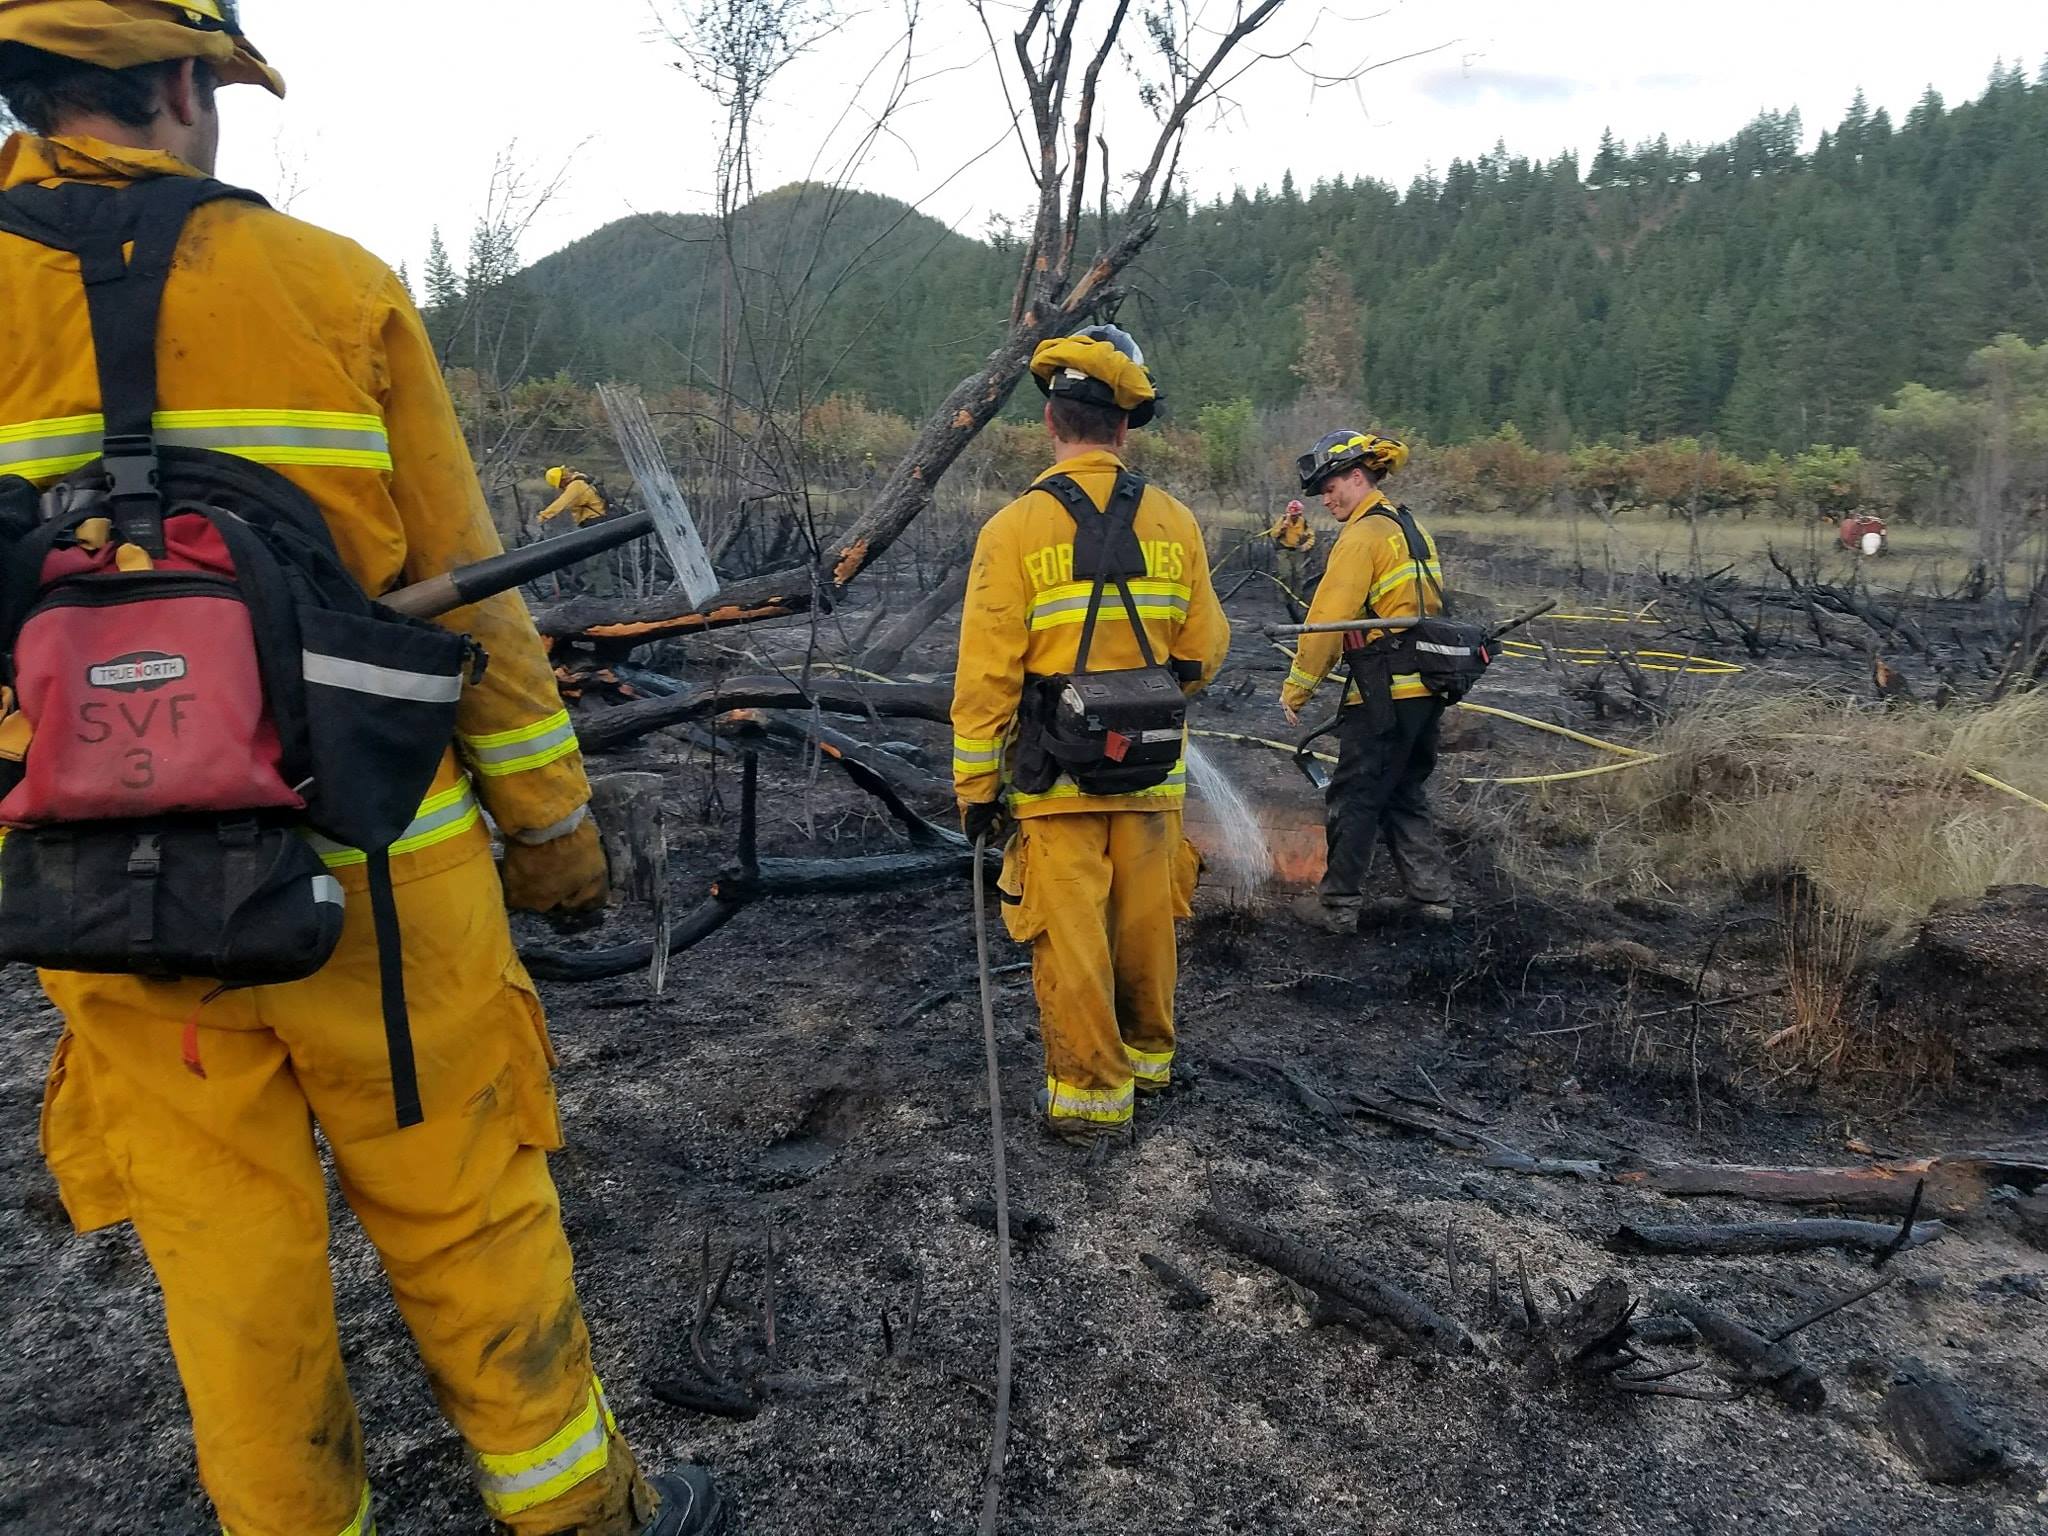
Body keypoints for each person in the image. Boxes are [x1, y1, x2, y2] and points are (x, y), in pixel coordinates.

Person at [0, 6, 727, 1533]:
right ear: (185, 80)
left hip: (102, 887)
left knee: (224, 1261)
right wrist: (554, 838)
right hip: (374, 865)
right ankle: (577, 1513)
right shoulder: (330, 285)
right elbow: (474, 606)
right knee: (466, 1204)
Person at [951, 325, 1229, 1142]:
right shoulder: (1176, 521)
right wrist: (1143, 695)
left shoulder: (1012, 531)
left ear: (1050, 420)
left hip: (1057, 783)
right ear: (1125, 426)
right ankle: (1150, 1064)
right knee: (1147, 929)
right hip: (1151, 777)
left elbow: (986, 680)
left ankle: (1090, 1099)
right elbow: (1204, 652)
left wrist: (976, 792)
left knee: (1072, 941)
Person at [1281, 429, 1455, 933]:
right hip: (1427, 688)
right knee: (1402, 789)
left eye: (1331, 487)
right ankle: (1432, 899)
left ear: (1357, 477)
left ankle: (1337, 906)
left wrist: (1298, 687)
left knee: (1355, 795)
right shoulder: (1410, 527)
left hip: (1385, 692)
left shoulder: (1362, 537)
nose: (1326, 499)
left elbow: (1327, 621)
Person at [1268, 497, 1316, 615]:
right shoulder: (1284, 520)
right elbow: (1273, 534)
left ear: (1300, 514)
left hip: (1297, 551)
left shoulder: (1304, 523)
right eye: (1292, 514)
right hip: (1283, 550)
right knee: (1286, 574)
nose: (1293, 517)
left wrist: (1306, 546)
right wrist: (1282, 528)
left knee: (1299, 575)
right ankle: (1283, 598)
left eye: (1296, 515)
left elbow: (1311, 537)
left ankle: (1296, 598)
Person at [542, 464, 610, 527]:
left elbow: (562, 502)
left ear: (562, 480)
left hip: (595, 520)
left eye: (560, 485)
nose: (561, 488)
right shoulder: (581, 481)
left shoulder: (576, 485)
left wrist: (543, 516)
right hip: (600, 519)